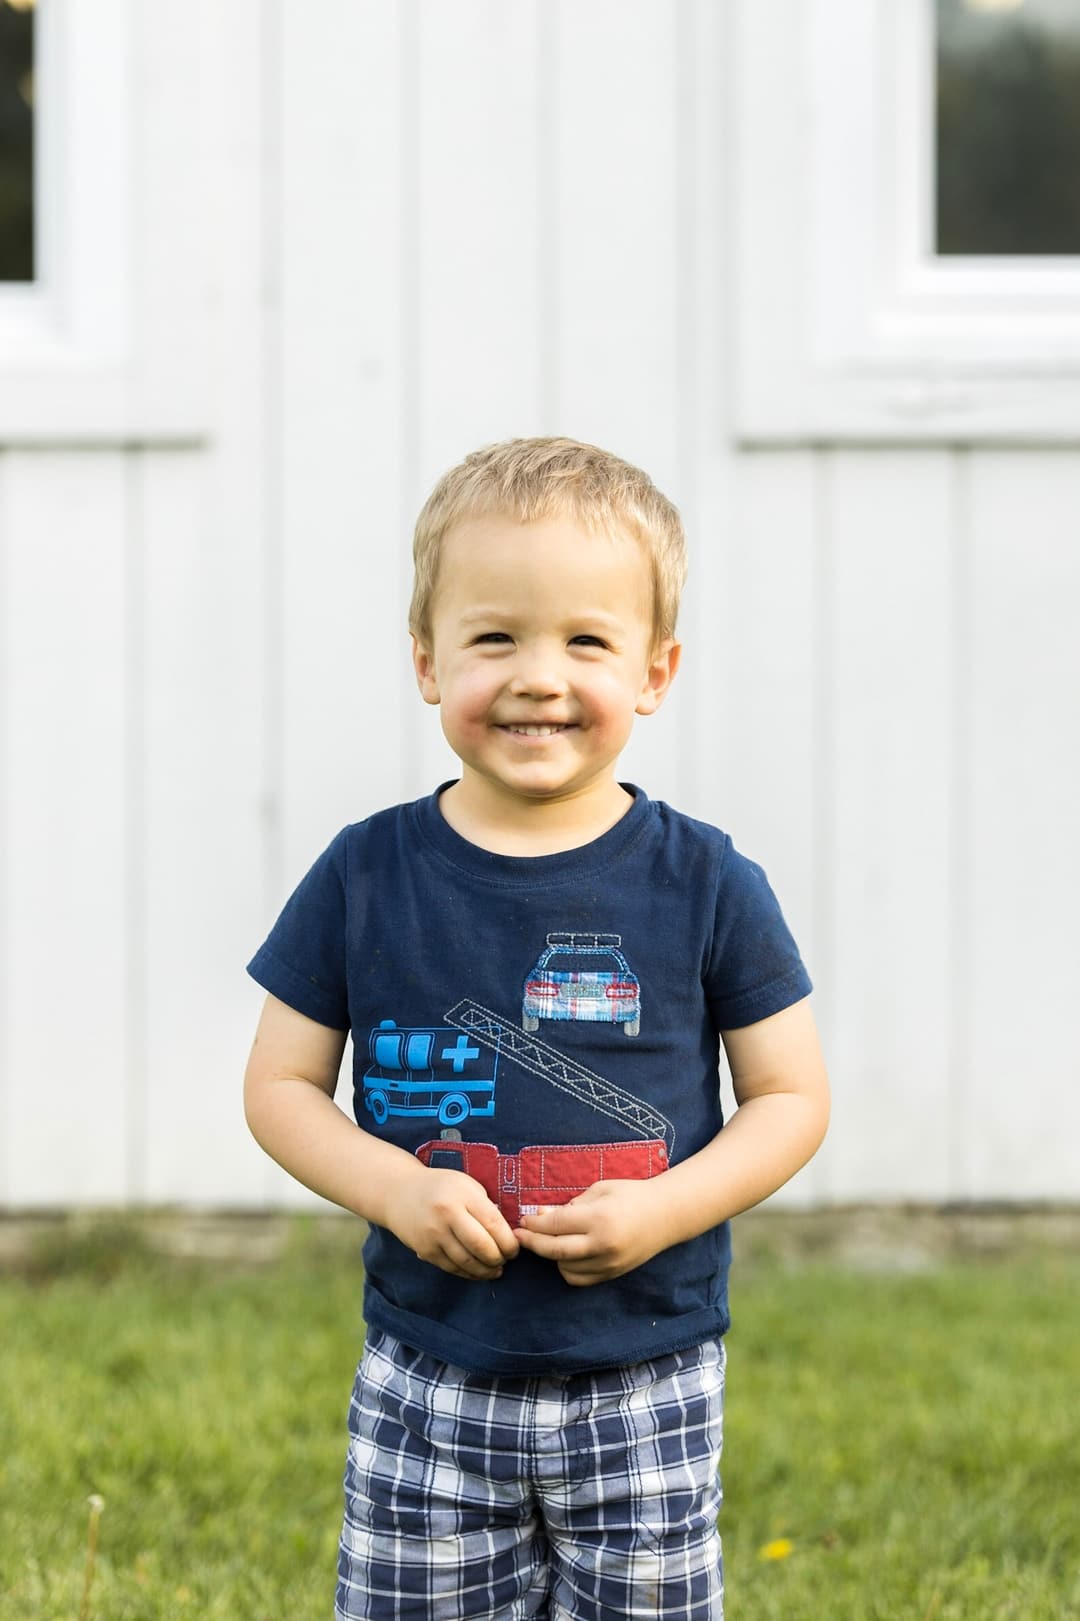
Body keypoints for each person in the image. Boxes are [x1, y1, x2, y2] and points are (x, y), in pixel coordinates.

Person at [244, 436, 830, 1620]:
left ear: (656, 670)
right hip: (430, 1370)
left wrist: (664, 1206)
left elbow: (792, 1100)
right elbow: (281, 1087)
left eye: (587, 641)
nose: (538, 676)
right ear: (427, 659)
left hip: (645, 1370)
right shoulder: (367, 874)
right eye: (496, 636)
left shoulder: (707, 882)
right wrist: (393, 1187)